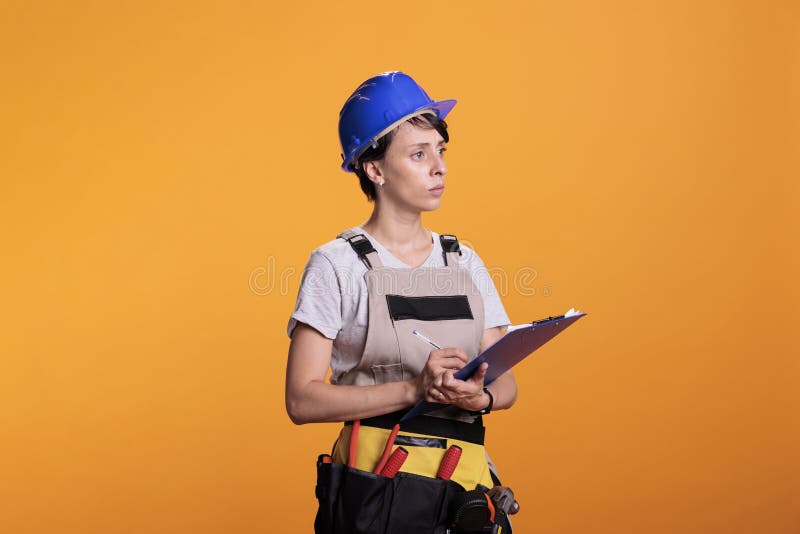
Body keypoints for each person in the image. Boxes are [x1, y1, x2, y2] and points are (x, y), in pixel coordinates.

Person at [285, 71, 518, 533]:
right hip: (374, 492)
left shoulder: (464, 260)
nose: (439, 166)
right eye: (418, 154)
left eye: (440, 150)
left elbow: (507, 385)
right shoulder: (336, 265)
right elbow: (300, 398)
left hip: (464, 488)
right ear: (374, 169)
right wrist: (415, 391)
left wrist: (481, 396)